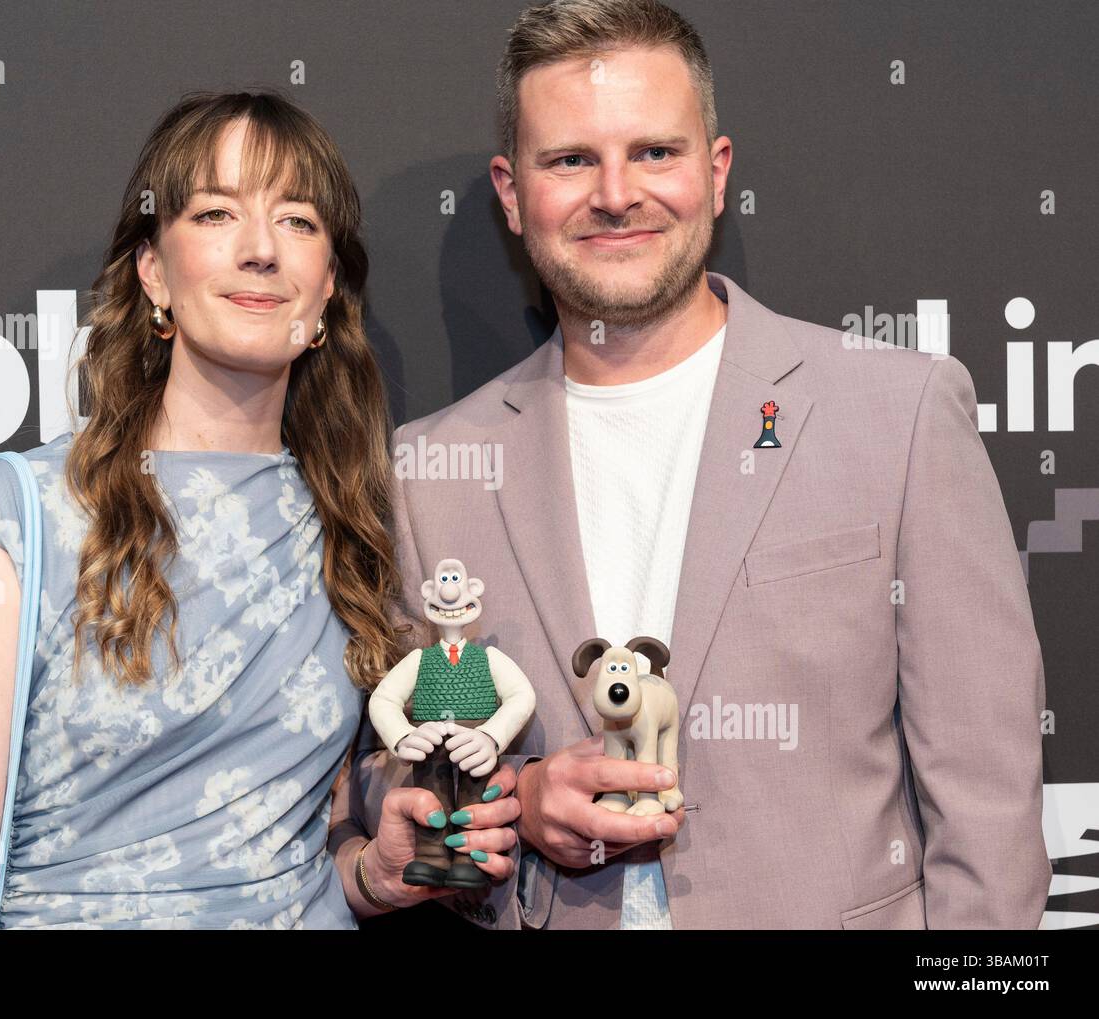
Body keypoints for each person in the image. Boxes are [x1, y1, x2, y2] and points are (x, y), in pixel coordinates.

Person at [330, 0, 1051, 929]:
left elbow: (988, 797)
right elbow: (398, 777)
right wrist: (519, 791)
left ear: (715, 175)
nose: (617, 193)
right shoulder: (431, 469)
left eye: (655, 153)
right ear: (512, 194)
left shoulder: (899, 413)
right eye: (571, 159)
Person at [0, 90, 519, 929]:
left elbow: (289, 855)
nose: (260, 251)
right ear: (153, 268)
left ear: (328, 286)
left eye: (297, 221)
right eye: (218, 213)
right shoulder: (11, 522)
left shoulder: (358, 526)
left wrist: (372, 872)